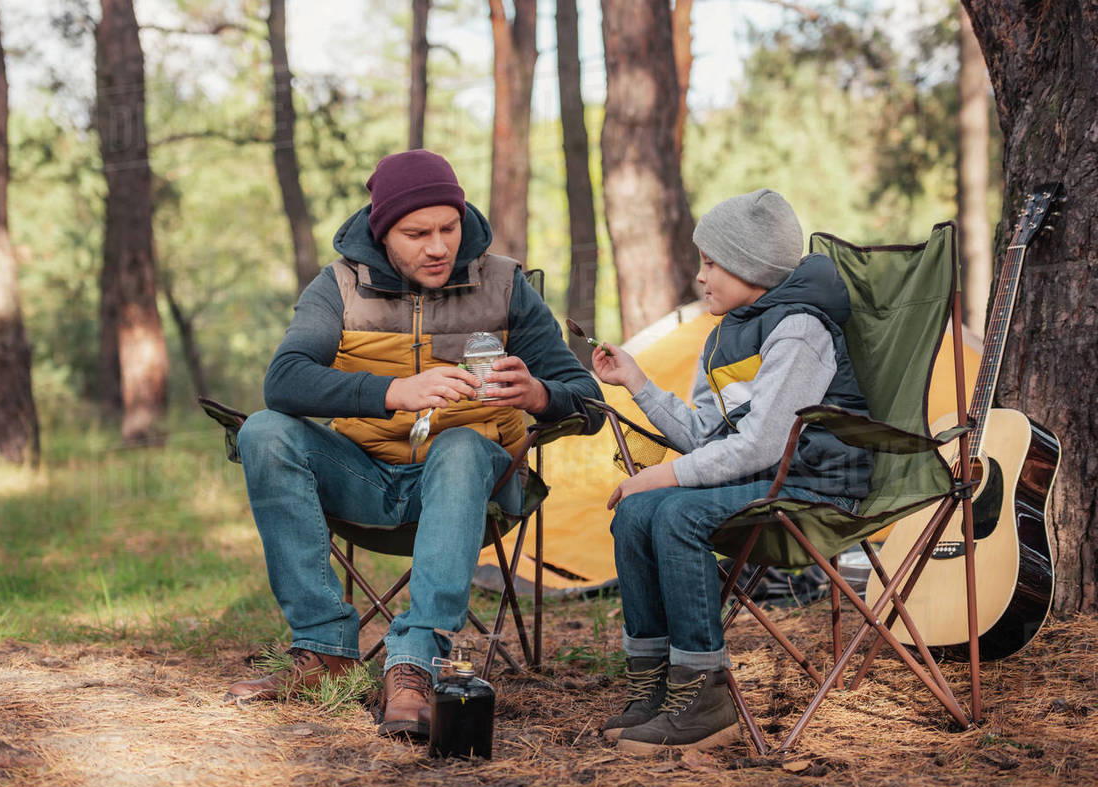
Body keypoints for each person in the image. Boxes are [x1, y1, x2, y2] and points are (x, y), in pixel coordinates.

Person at [225, 149, 603, 740]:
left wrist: (535, 394)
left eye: (448, 228)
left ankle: (415, 663)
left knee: (457, 445)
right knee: (263, 430)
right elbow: (284, 381)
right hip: (366, 480)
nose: (438, 247)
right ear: (382, 232)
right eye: (417, 233)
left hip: (475, 486)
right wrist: (395, 390)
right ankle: (324, 652)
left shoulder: (504, 284)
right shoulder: (339, 287)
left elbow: (586, 398)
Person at [589, 188, 872, 753]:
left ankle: (704, 699)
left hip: (816, 486)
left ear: (751, 266)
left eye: (712, 263)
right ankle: (659, 687)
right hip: (767, 480)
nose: (701, 277)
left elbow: (759, 446)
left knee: (674, 512)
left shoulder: (799, 328)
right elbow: (703, 434)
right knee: (635, 514)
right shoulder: (725, 335)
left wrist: (661, 476)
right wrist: (638, 383)